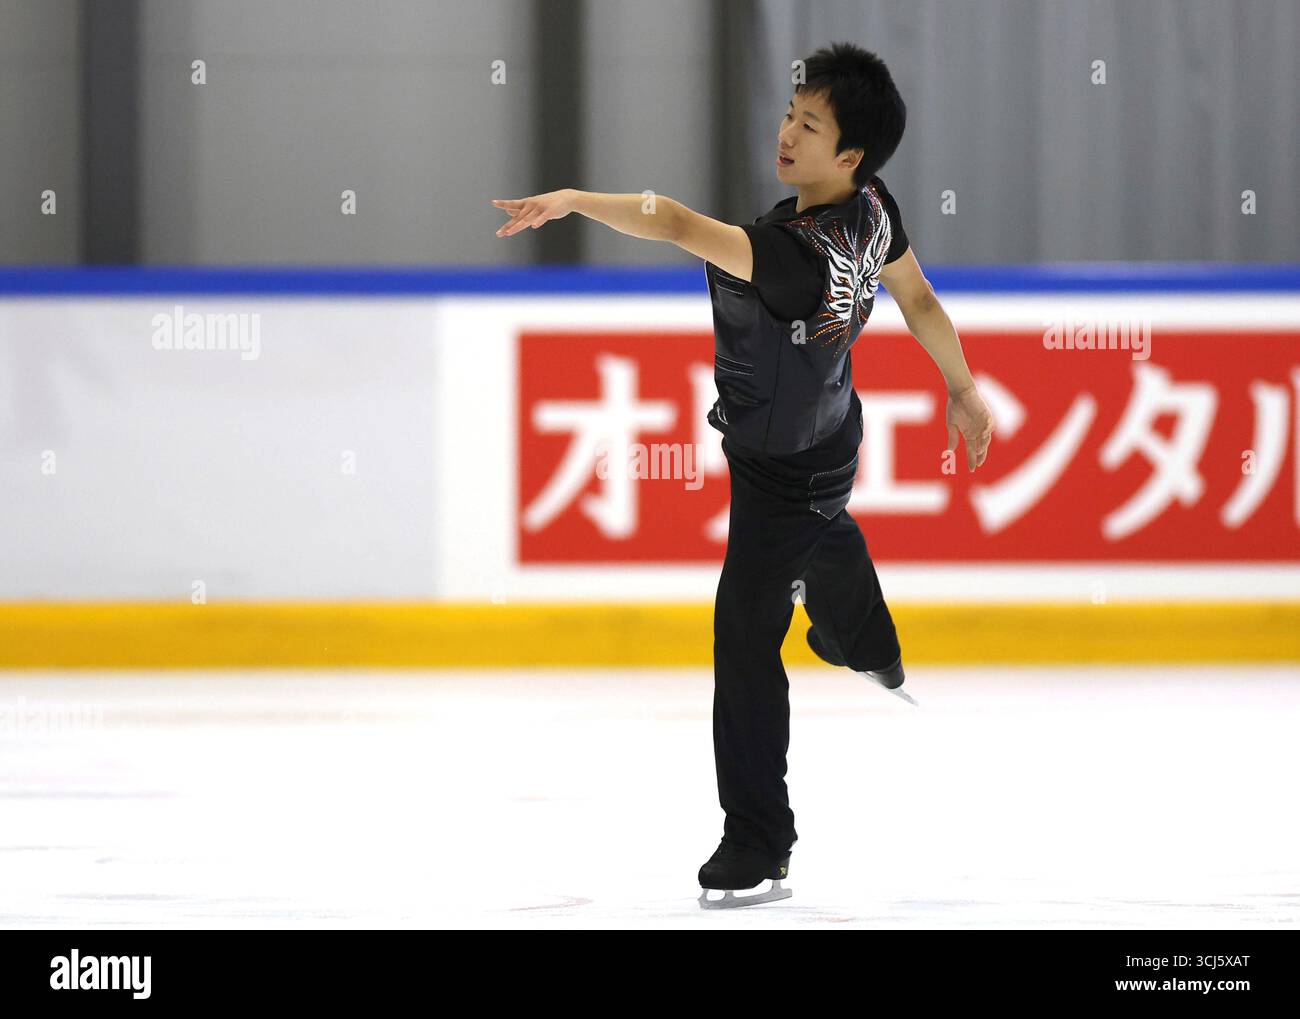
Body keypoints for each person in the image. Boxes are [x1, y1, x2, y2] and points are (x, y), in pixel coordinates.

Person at [493, 42, 995, 908]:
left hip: (784, 472)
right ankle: (864, 642)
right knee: (826, 541)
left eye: (809, 127)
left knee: (743, 639)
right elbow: (916, 297)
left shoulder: (794, 254)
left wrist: (575, 199)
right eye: (789, 116)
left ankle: (760, 840)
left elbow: (680, 223)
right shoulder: (873, 207)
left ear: (851, 157)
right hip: (829, 439)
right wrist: (963, 388)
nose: (786, 135)